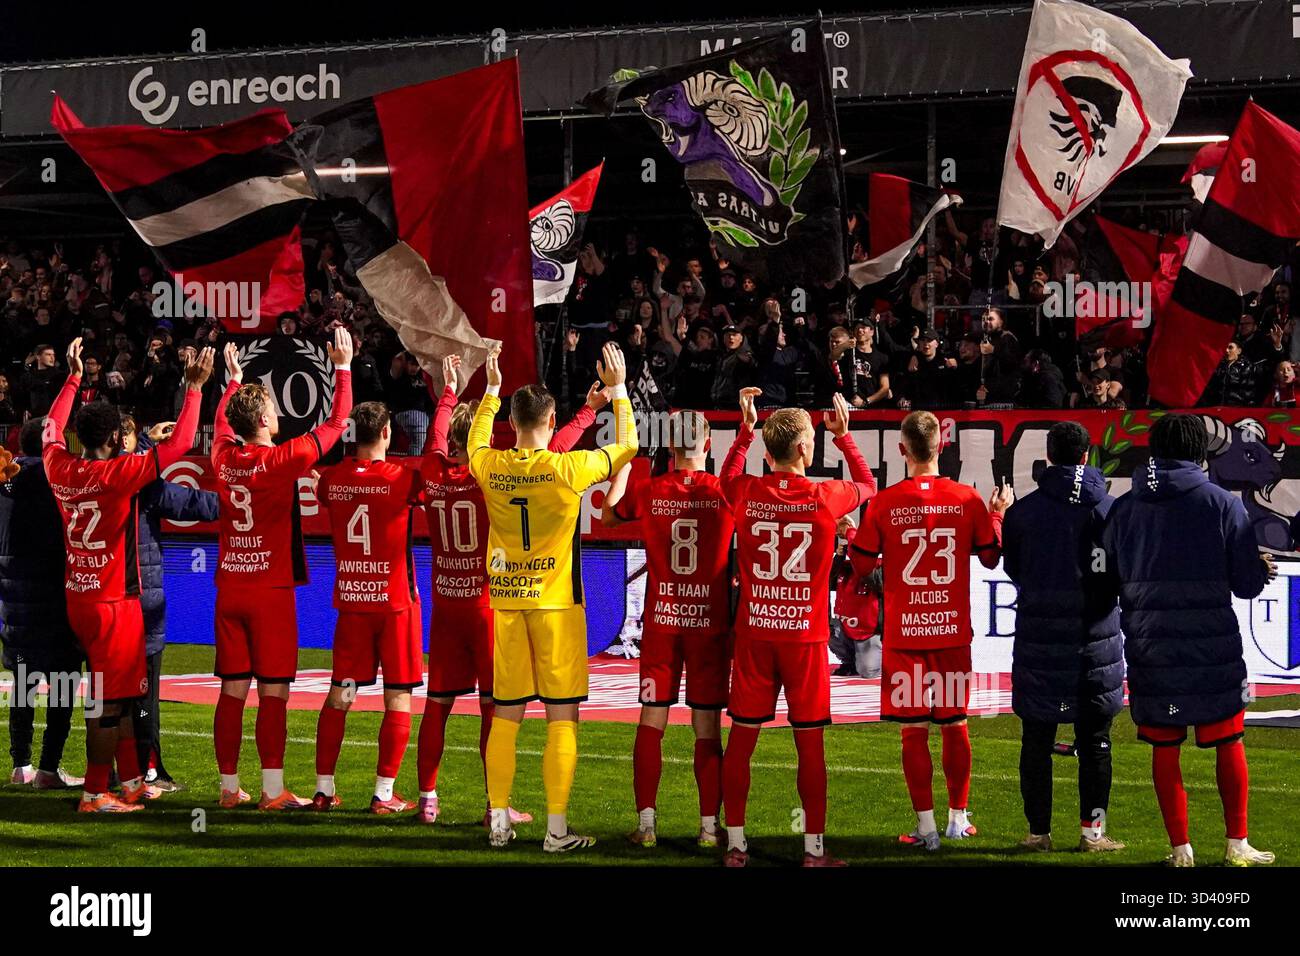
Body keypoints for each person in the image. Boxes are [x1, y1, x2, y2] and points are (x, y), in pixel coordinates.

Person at [415, 355, 600, 826]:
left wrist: (448, 394)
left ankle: (426, 800)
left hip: (445, 605)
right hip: (487, 605)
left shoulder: (434, 475)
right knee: (495, 710)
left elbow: (436, 441)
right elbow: (551, 453)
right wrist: (588, 411)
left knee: (437, 706)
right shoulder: (489, 478)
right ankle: (492, 807)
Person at [468, 342, 637, 851]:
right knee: (562, 716)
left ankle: (498, 821)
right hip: (557, 606)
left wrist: (491, 390)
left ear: (512, 421)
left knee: (506, 715)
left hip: (508, 604)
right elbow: (626, 446)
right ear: (553, 417)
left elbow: (475, 441)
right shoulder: (569, 469)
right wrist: (619, 390)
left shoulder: (490, 466)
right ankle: (556, 831)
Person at [42, 338, 212, 812]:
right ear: (117, 438)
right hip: (113, 603)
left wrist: (73, 377)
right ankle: (96, 792)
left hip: (82, 596)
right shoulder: (121, 475)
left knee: (118, 694)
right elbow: (179, 446)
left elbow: (50, 428)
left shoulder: (60, 467)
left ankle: (132, 780)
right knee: (107, 702)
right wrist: (194, 389)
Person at [1101, 413, 1275, 867]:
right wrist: (1260, 569)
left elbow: (1105, 575)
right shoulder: (1222, 503)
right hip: (1210, 646)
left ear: (1153, 451)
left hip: (1150, 645)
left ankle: (1181, 850)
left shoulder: (1124, 507)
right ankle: (1237, 844)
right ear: (1200, 452)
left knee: (1164, 745)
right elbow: (1246, 584)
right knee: (1229, 739)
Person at [720, 390, 876, 867]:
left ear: (769, 452)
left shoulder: (748, 491)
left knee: (742, 741)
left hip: (755, 631)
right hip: (804, 637)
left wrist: (744, 430)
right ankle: (812, 851)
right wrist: (846, 437)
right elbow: (868, 483)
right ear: (807, 449)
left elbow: (727, 477)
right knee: (809, 745)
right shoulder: (826, 495)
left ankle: (735, 846)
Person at [849, 411, 1010, 851]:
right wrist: (997, 515)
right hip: (952, 633)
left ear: (902, 450)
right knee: (955, 726)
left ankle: (927, 829)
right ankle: (958, 819)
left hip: (905, 637)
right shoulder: (966, 498)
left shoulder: (883, 502)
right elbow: (992, 558)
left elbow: (862, 566)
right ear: (942, 446)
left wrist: (852, 537)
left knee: (913, 731)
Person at [210, 330, 353, 811]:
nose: (277, 413)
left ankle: (229, 789)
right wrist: (344, 367)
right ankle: (272, 791)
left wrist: (232, 382)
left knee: (232, 691)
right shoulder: (280, 459)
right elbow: (336, 424)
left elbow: (218, 426)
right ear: (266, 419)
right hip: (270, 589)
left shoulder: (223, 458)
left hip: (229, 586)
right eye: (271, 408)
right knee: (273, 692)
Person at [602, 410, 733, 849]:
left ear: (670, 448)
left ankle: (646, 825)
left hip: (662, 622)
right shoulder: (724, 492)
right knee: (707, 728)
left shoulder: (650, 489)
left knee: (651, 721)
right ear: (708, 446)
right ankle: (709, 829)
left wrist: (621, 467)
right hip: (709, 625)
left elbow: (608, 516)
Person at [1002, 422, 1125, 853]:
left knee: (1036, 740)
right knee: (1096, 742)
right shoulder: (1111, 509)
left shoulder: (1022, 512)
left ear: (1049, 456)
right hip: (1097, 640)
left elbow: (1015, 570)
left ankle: (1038, 834)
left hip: (1039, 639)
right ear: (1087, 456)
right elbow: (1120, 576)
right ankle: (1093, 834)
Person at [311, 401, 424, 814]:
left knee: (341, 694)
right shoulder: (402, 478)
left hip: (353, 602)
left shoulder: (333, 479)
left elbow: (324, 490)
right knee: (398, 698)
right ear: (387, 433)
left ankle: (323, 789)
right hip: (395, 604)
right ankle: (382, 794)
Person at [120, 416, 219, 792]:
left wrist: (144, 441)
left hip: (97, 597)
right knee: (143, 690)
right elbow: (190, 503)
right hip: (140, 600)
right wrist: (244, 498)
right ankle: (147, 769)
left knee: (107, 692)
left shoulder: (87, 474)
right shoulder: (141, 484)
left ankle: (114, 772)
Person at [0, 422, 83, 790]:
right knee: (63, 683)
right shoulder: (57, 479)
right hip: (55, 596)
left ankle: (21, 764)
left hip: (14, 598)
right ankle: (49, 767)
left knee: (22, 683)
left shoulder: (6, 481)